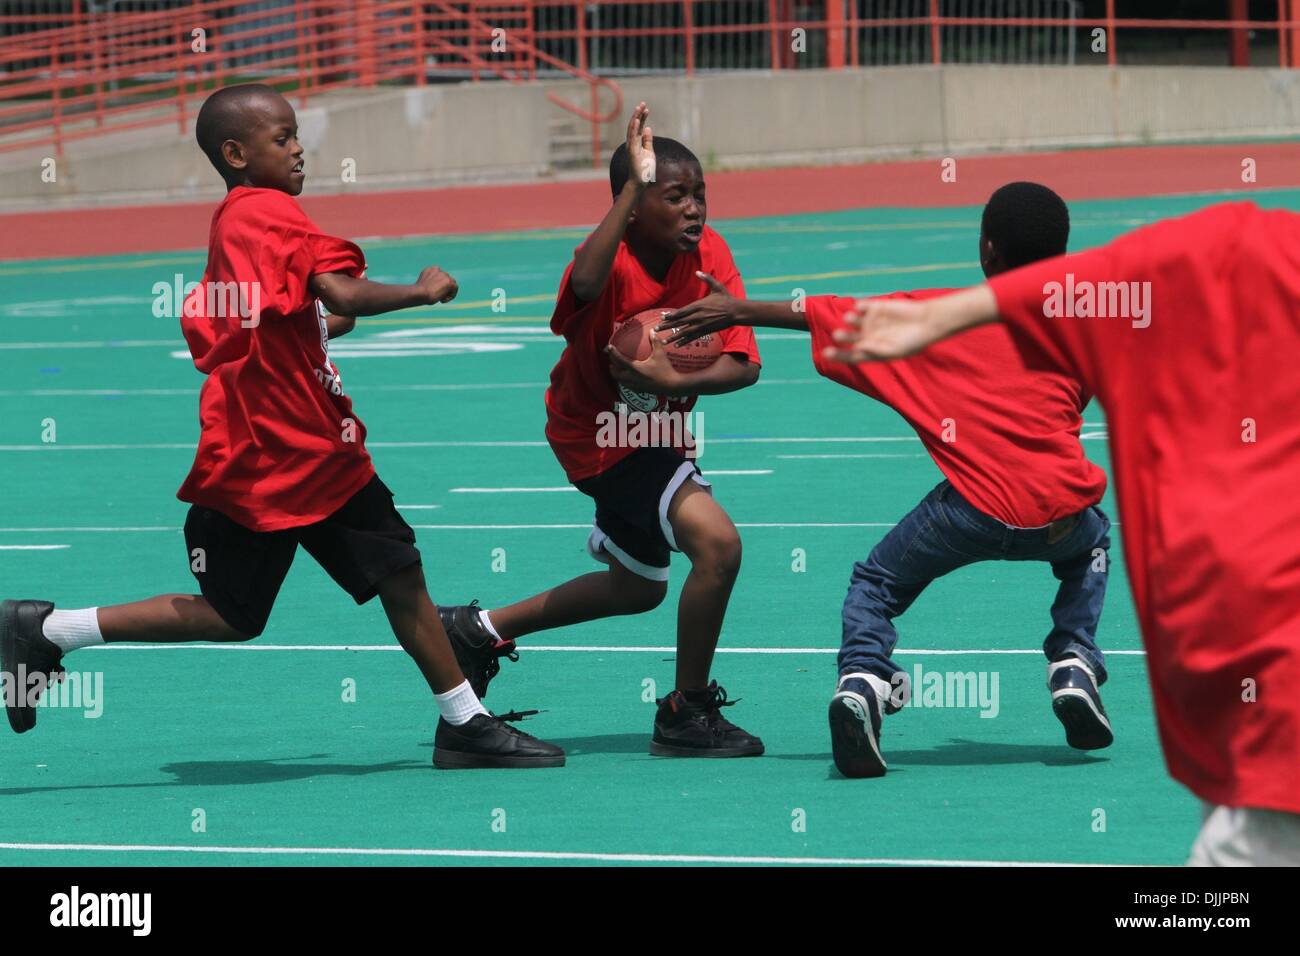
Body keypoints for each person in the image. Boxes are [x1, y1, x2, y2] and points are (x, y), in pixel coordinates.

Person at [0, 84, 564, 771]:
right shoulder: (268, 212)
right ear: (236, 153)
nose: (299, 149)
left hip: (260, 453)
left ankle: (45, 628)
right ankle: (465, 724)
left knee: (237, 614)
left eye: (297, 135)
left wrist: (317, 320)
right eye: (282, 138)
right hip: (300, 453)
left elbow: (297, 310)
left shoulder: (236, 221)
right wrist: (421, 290)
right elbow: (344, 293)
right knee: (398, 572)